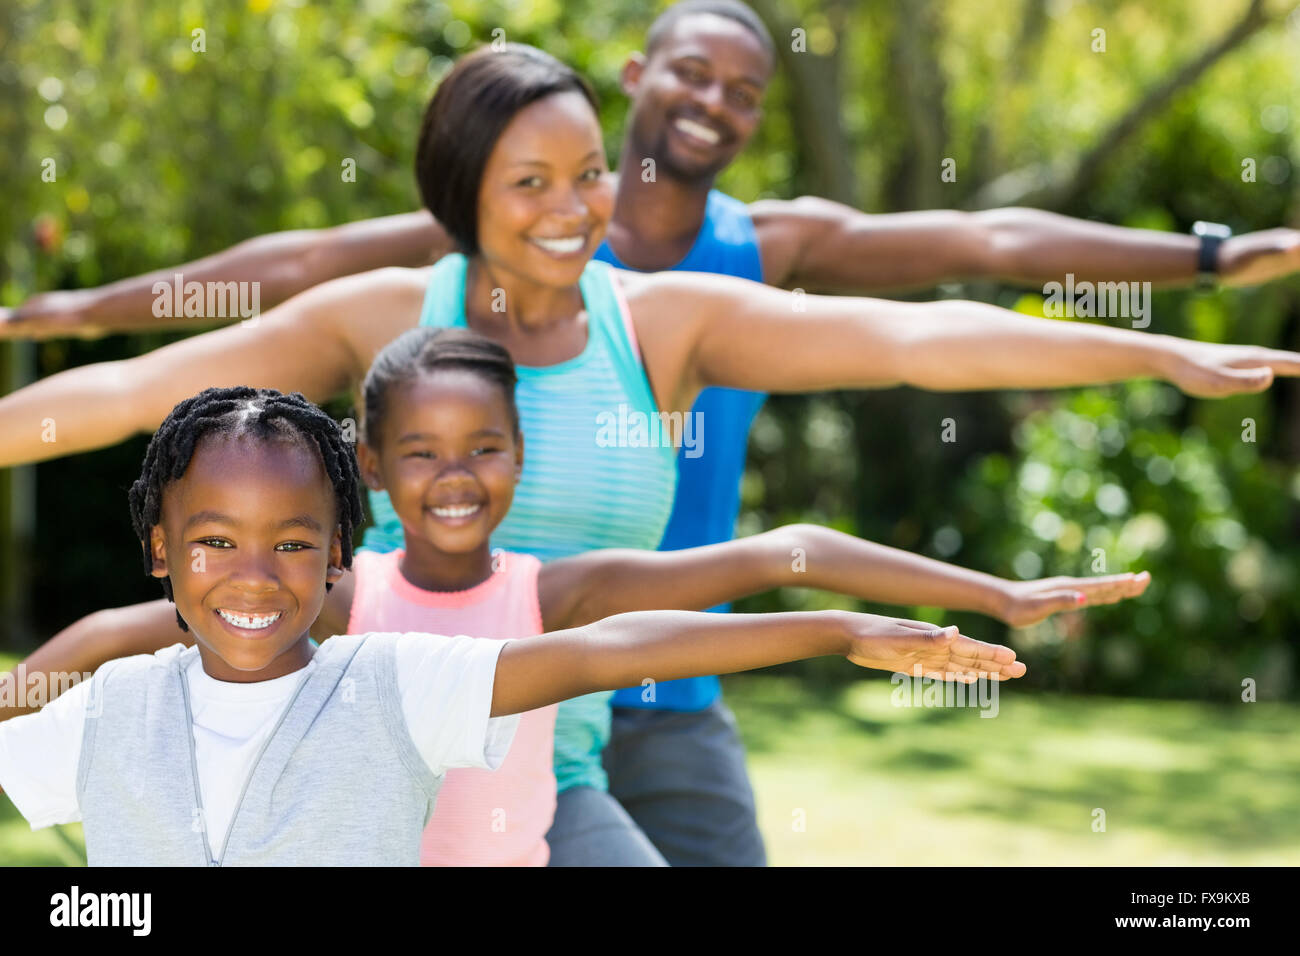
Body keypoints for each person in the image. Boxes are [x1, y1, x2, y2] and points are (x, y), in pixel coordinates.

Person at [4, 1, 1298, 866]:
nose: (576, 211)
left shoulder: (666, 325)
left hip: (565, 760)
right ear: (464, 198)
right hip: (365, 751)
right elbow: (128, 395)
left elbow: (922, 340)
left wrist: (1159, 347)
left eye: (586, 177)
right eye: (531, 184)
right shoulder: (385, 316)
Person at [2, 327, 1149, 866]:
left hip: (531, 832)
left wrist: (875, 619)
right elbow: (115, 637)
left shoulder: (427, 649)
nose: (454, 476)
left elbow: (640, 633)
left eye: (485, 447)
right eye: (214, 540)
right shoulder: (303, 619)